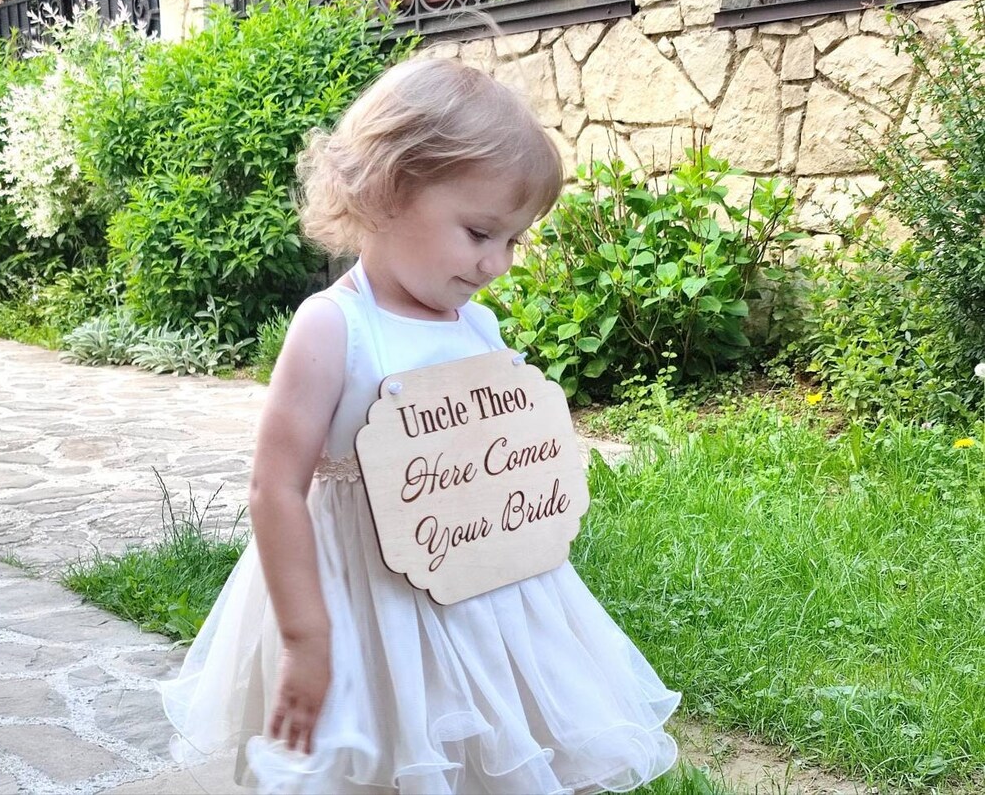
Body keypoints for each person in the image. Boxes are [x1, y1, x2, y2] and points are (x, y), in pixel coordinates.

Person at [159, 57, 680, 795]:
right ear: (384, 190)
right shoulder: (335, 328)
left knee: (487, 742)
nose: (497, 263)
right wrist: (307, 636)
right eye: (478, 232)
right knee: (382, 756)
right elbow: (274, 486)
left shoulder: (480, 325)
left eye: (514, 241)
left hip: (481, 593)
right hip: (364, 603)